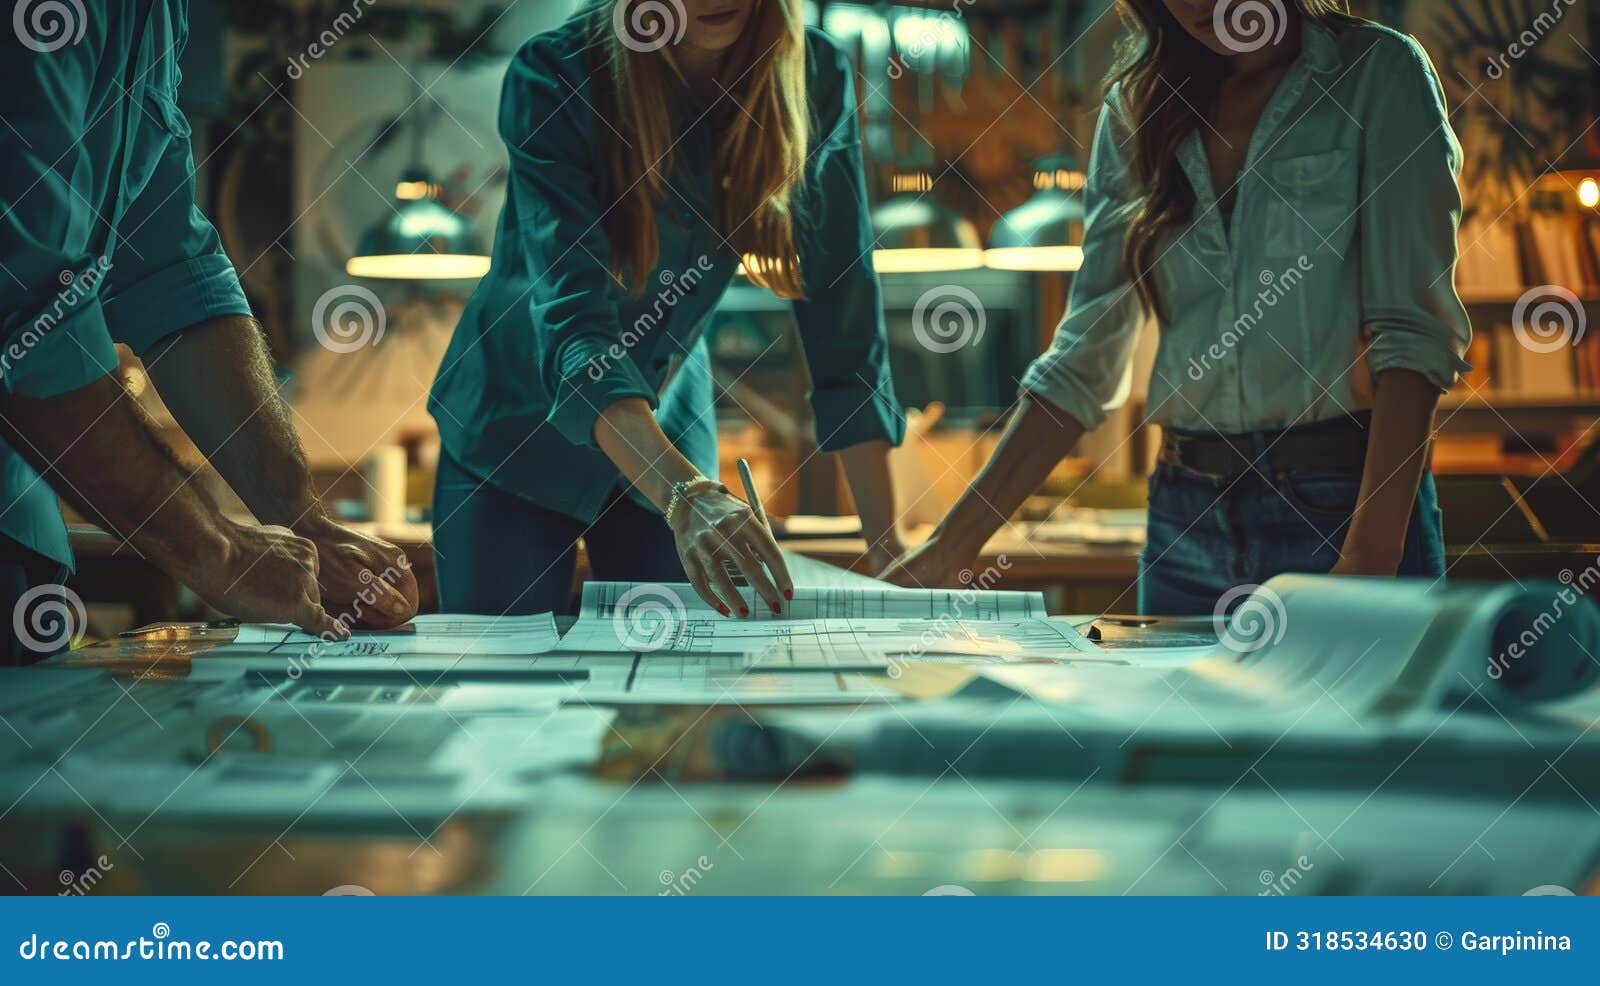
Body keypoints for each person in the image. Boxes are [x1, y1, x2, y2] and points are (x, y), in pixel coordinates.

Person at [885, 0, 1470, 614]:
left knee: (1360, 713)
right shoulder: (1140, 104)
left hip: (1342, 507)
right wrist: (949, 550)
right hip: (1185, 519)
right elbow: (1082, 361)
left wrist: (1369, 558)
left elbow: (1411, 337)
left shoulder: (1378, 73)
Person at [430, 0, 904, 619]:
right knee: (504, 680)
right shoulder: (554, 74)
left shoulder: (812, 71)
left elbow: (844, 319)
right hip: (512, 432)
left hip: (670, 413)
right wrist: (687, 494)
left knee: (677, 685)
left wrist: (889, 554)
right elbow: (578, 330)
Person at [0, 0, 419, 664]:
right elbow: (18, 305)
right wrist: (216, 551)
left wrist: (299, 517)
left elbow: (170, 269)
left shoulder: (158, 17)